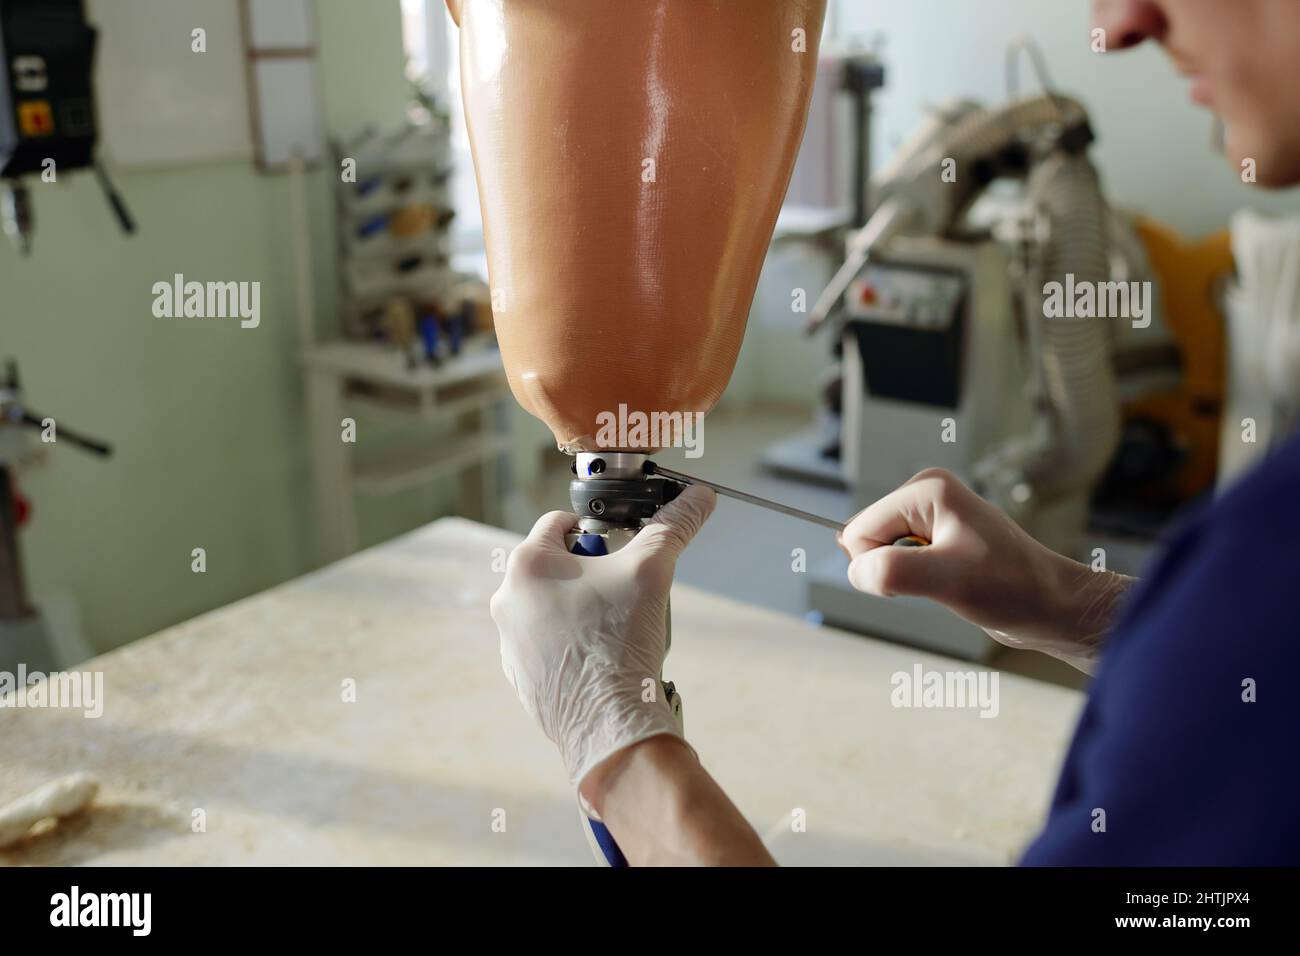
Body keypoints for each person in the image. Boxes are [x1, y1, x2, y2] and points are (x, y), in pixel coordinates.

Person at [490, 0, 1300, 866]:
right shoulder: (1254, 575)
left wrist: (612, 738)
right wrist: (1075, 606)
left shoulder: (1264, 556)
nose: (1121, 18)